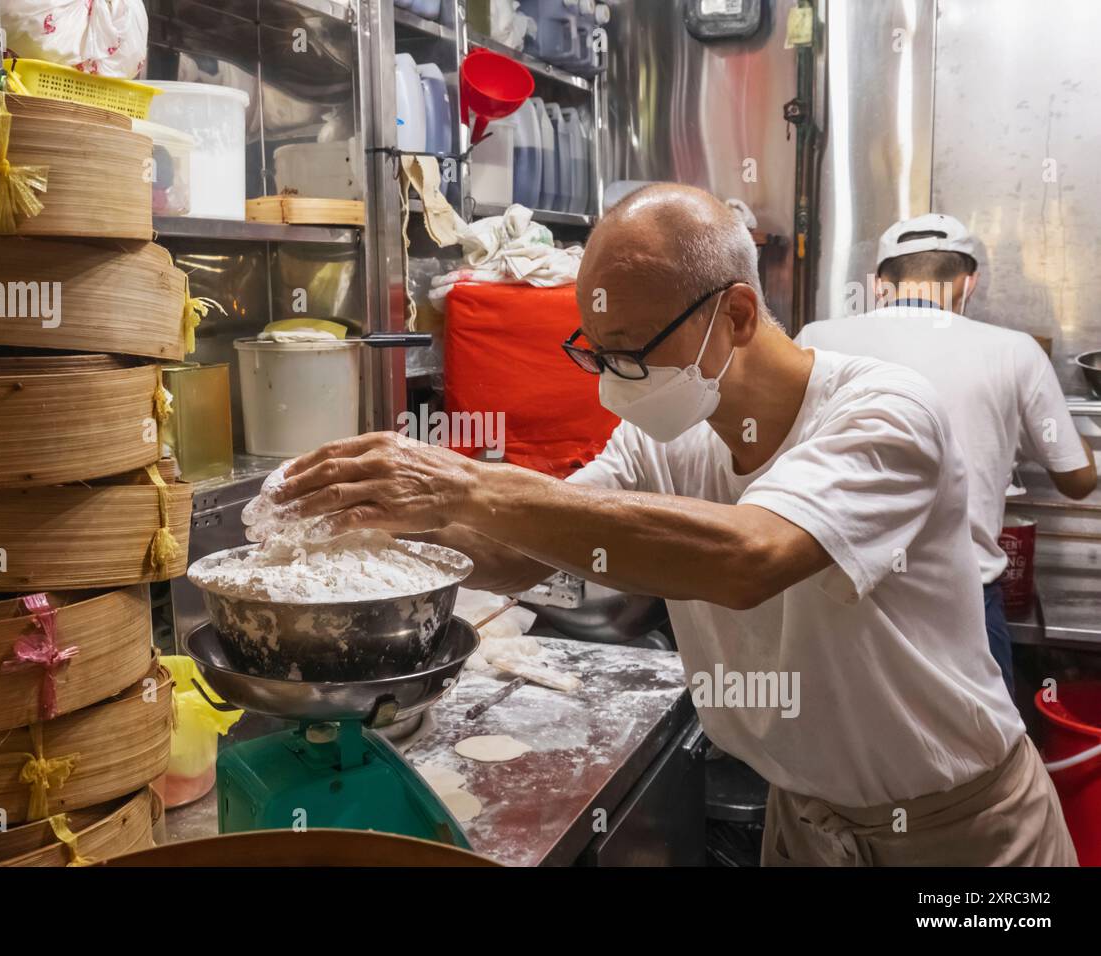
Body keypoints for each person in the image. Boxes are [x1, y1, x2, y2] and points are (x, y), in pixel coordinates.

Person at [270, 184, 1076, 866]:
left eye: (632, 351)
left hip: (957, 829)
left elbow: (749, 557)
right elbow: (526, 550)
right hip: (804, 823)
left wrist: (468, 484)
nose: (615, 380)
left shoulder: (886, 412)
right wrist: (365, 539)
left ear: (736, 316)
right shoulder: (668, 432)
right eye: (597, 352)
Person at [796, 214, 1096, 695]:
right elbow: (1077, 480)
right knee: (977, 761)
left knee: (836, 760)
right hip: (959, 603)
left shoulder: (816, 340)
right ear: (969, 284)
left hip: (836, 592)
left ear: (879, 286)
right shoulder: (1016, 351)